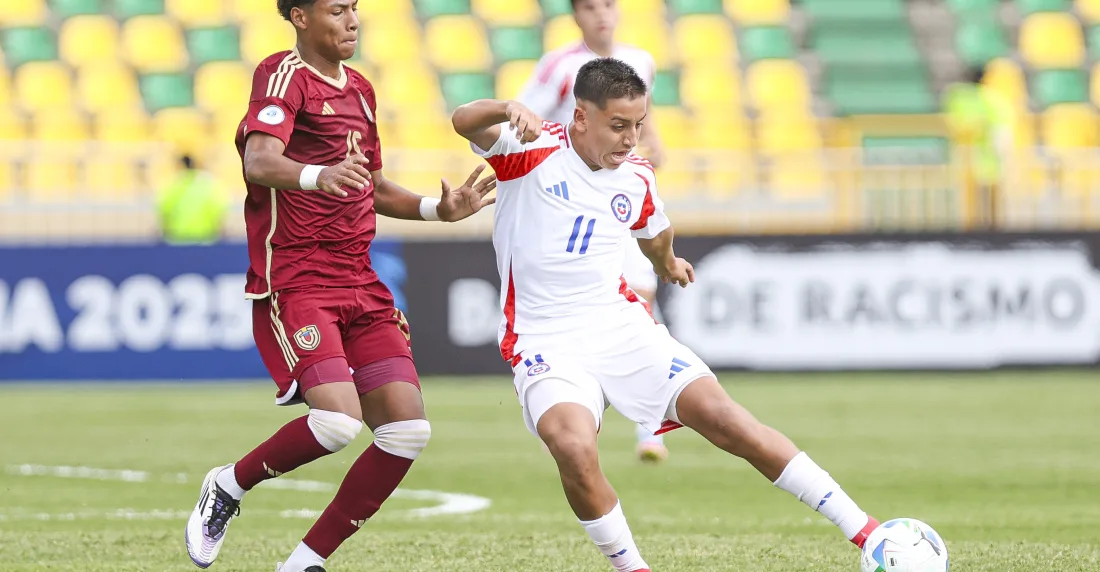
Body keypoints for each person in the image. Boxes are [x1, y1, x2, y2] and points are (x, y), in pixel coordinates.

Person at [451, 58, 879, 572]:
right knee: (572, 447)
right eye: (618, 125)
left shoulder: (636, 177)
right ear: (581, 117)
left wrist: (668, 263)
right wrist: (505, 106)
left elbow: (654, 233)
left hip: (620, 327)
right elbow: (463, 120)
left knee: (728, 420)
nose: (632, 138)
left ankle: (871, 535)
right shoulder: (529, 148)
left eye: (638, 124)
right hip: (543, 340)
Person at [183, 2, 496, 571]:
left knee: (406, 431)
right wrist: (316, 175)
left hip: (360, 277)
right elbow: (259, 159)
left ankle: (303, 562)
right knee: (337, 421)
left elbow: (369, 185)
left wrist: (436, 208)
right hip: (298, 277)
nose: (352, 19)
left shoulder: (361, 90)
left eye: (354, 8)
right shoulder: (283, 76)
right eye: (336, 9)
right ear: (300, 16)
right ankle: (228, 485)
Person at [519, 0, 669, 463]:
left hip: (617, 203)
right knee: (620, 306)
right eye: (589, 6)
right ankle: (591, 408)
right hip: (570, 212)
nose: (601, 14)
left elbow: (644, 114)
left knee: (640, 299)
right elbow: (525, 118)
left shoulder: (640, 60)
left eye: (607, 4)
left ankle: (650, 428)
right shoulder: (560, 66)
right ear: (575, 16)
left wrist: (654, 141)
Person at [156, 155, 228, 245]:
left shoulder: (172, 186)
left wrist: (164, 232)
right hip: (206, 240)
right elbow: (218, 211)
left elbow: (164, 211)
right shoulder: (208, 185)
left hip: (177, 240)